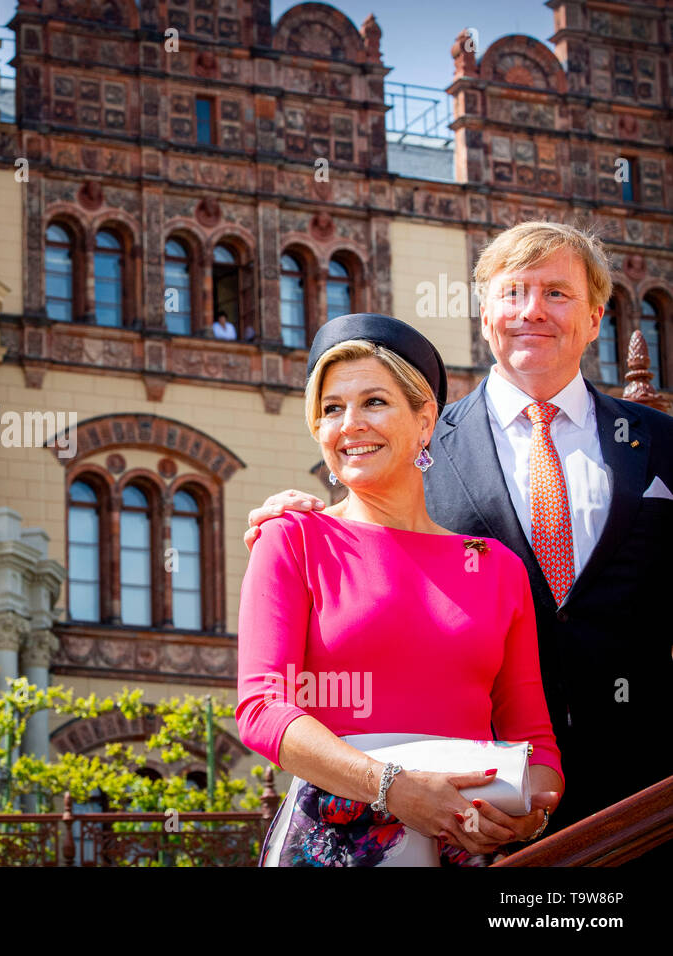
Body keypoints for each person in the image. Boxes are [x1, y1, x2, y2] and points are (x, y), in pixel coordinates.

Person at [245, 221, 673, 847]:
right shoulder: (412, 446)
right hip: (480, 808)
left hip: (640, 792)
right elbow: (353, 529)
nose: (532, 311)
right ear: (483, 313)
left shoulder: (661, 444)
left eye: (556, 293)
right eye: (512, 292)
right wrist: (287, 518)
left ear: (595, 315)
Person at [237, 312, 563, 867]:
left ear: (425, 420)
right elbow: (262, 709)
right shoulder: (290, 538)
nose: (350, 424)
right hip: (333, 842)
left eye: (375, 402)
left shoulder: (497, 567)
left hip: (467, 843)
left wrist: (532, 810)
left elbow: (534, 738)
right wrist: (395, 788)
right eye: (332, 409)